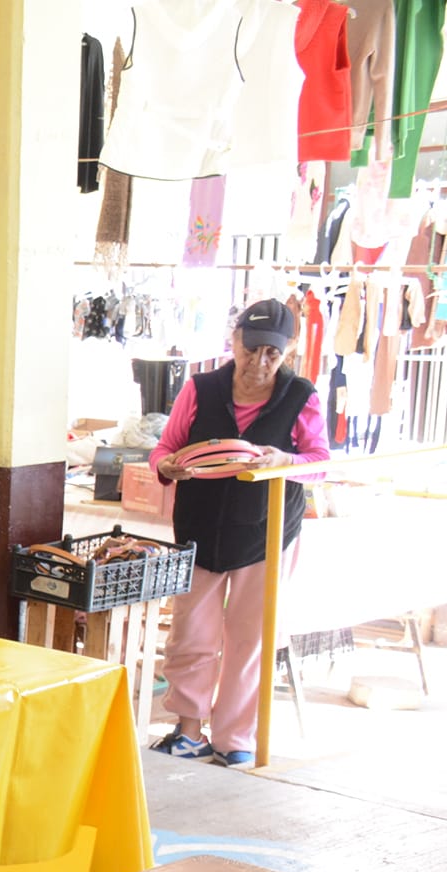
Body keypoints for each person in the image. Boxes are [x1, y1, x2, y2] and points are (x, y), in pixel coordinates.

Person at [147, 298, 329, 767]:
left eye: (272, 354)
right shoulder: (201, 388)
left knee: (250, 639)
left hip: (265, 536)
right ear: (234, 342)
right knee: (192, 634)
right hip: (199, 530)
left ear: (286, 352)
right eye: (251, 350)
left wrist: (284, 461)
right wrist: (167, 466)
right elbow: (166, 448)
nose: (260, 363)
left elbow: (321, 463)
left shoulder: (300, 395)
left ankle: (236, 739)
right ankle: (189, 731)